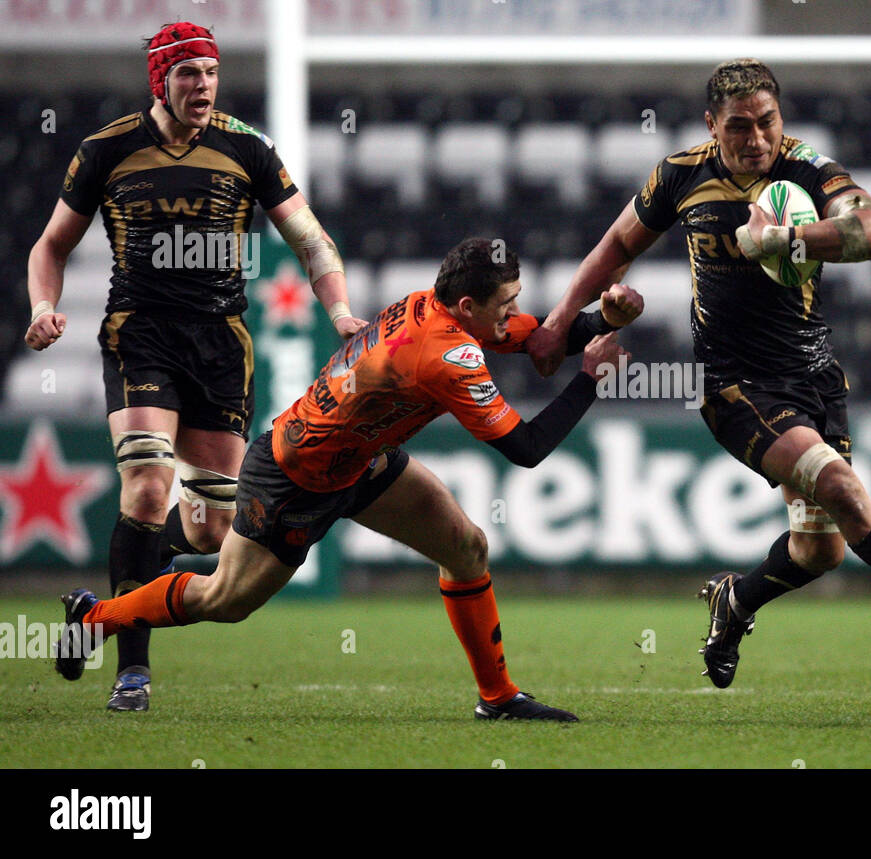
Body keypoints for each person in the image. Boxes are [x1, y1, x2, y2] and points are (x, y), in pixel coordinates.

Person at [527, 59, 871, 687]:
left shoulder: (806, 168)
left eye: (767, 122)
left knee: (820, 549)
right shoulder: (679, 176)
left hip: (813, 378)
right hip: (734, 386)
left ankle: (735, 603)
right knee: (843, 490)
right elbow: (619, 245)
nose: (756, 139)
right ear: (711, 126)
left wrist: (786, 240)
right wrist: (562, 318)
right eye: (739, 127)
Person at [56, 237, 641, 721]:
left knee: (467, 547)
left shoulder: (433, 306)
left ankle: (498, 697)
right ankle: (95, 617)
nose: (513, 315)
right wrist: (591, 379)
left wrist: (597, 320)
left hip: (361, 459)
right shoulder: (449, 357)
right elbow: (527, 449)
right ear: (467, 307)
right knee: (224, 600)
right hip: (295, 476)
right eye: (506, 304)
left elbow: (532, 337)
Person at [25, 22, 367, 711]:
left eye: (210, 72)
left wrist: (342, 315)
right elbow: (50, 245)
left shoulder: (247, 148)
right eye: (187, 73)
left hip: (220, 346)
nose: (202, 85)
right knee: (148, 489)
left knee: (213, 530)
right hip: (140, 337)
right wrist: (43, 304)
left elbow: (311, 239)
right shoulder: (106, 149)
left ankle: (96, 612)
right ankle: (134, 672)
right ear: (160, 80)